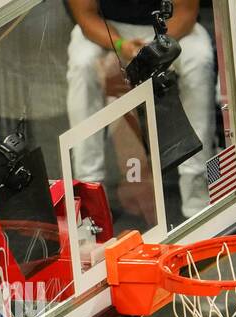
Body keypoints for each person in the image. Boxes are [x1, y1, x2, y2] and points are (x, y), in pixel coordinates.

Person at [66, 0, 215, 218]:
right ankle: (89, 194)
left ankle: (198, 190)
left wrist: (151, 51)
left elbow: (186, 11)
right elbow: (85, 14)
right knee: (82, 64)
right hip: (108, 29)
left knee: (199, 60)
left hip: (168, 26)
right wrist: (120, 46)